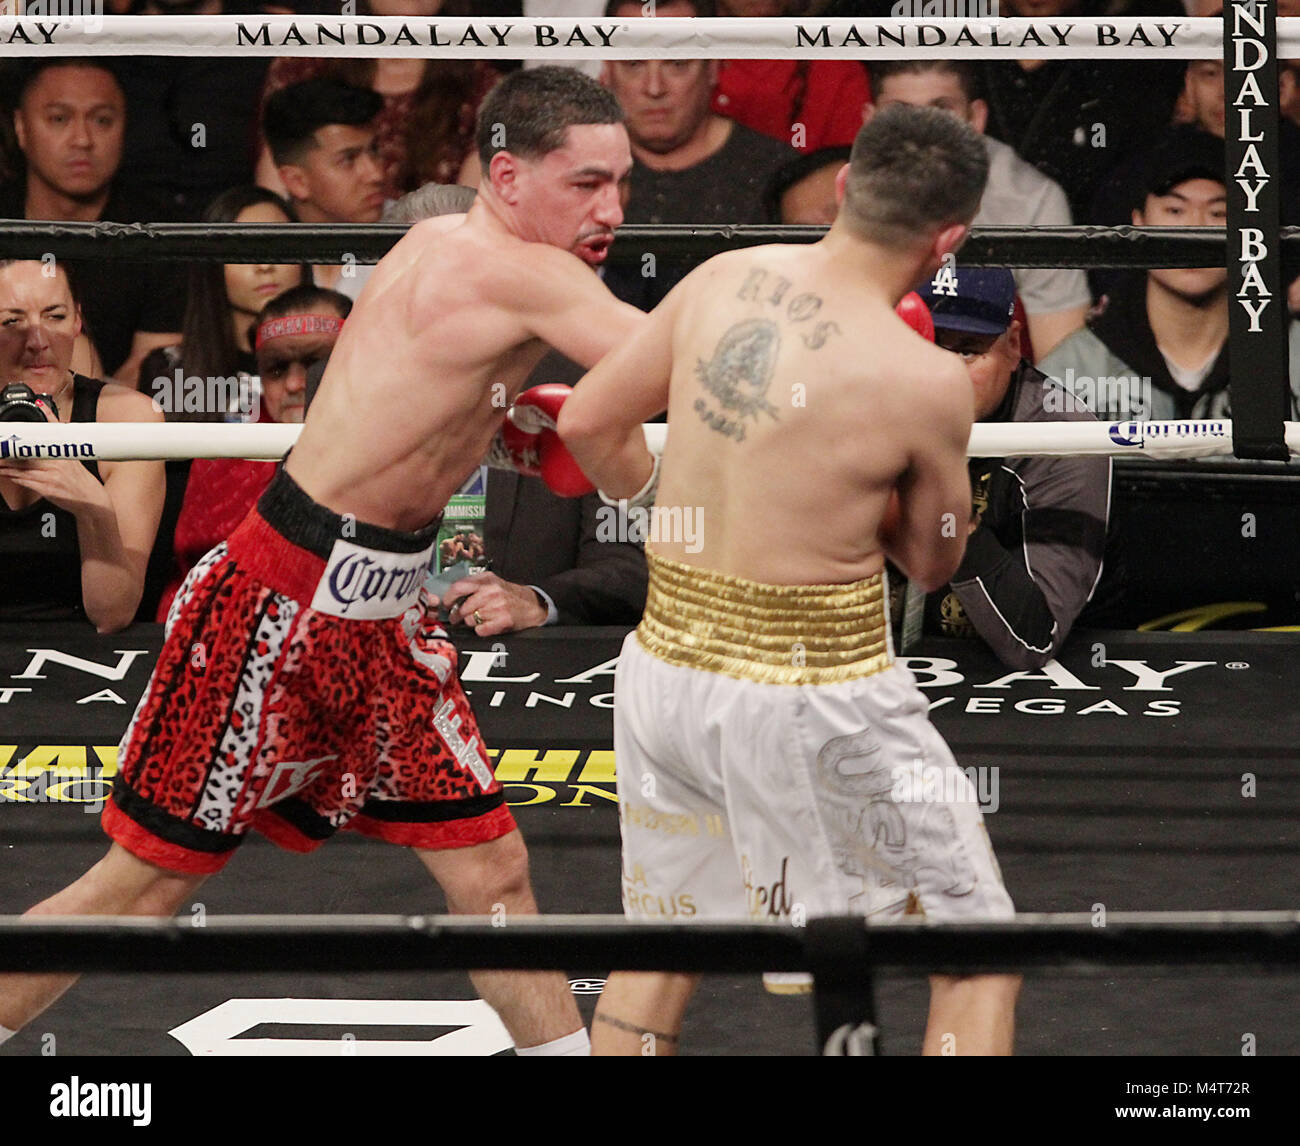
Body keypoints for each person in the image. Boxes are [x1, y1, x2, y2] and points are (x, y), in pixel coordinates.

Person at [0, 66, 644, 1057]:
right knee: (139, 890)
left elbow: (391, 401)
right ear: (508, 176)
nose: (612, 209)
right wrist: (854, 352)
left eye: (623, 184)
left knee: (493, 872)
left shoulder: (436, 241)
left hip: (386, 616)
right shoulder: (532, 272)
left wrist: (494, 420)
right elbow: (670, 364)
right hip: (276, 602)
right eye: (586, 183)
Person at [558, 104, 1020, 1056]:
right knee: (977, 952)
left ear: (845, 186)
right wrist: (888, 468)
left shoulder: (725, 275)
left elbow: (585, 427)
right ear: (949, 240)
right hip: (814, 687)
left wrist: (682, 503)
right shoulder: (924, 378)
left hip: (661, 668)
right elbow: (934, 562)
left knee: (670, 938)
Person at [906, 266, 1121, 669]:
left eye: (968, 350)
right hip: (884, 669)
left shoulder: (1064, 440)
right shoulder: (864, 410)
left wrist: (953, 520)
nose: (945, 374)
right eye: (927, 346)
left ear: (1013, 345)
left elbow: (1033, 642)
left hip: (1029, 692)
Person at [1041, 129, 1300, 420]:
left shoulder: (1292, 358)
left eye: (1218, 213)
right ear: (1138, 224)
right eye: (1175, 210)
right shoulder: (1072, 371)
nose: (1194, 231)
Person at [867, 60, 1091, 361]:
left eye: (941, 112)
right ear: (869, 122)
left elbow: (1062, 360)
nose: (921, 134)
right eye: (901, 114)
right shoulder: (839, 193)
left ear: (976, 119)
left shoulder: (1031, 199)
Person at [154, 284, 352, 620]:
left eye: (314, 363)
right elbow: (199, 581)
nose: (293, 384)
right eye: (276, 368)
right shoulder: (225, 458)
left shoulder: (410, 439)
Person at [0, 259, 165, 632]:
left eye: (54, 316)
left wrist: (92, 508)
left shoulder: (127, 417)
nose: (38, 342)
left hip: (82, 653)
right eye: (12, 321)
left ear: (77, 321)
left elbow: (111, 614)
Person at [0, 58, 186, 383]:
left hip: (115, 423)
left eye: (102, 120)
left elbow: (155, 365)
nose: (82, 139)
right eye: (59, 119)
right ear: (20, 127)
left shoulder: (160, 233)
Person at [255, 0, 500, 202]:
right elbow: (275, 190)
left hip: (430, 251)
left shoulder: (484, 88)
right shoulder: (305, 63)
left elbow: (466, 218)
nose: (374, 174)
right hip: (312, 249)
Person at [258, 77, 388, 294]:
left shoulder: (416, 238)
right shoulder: (258, 257)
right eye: (348, 159)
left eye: (374, 151)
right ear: (296, 181)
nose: (376, 174)